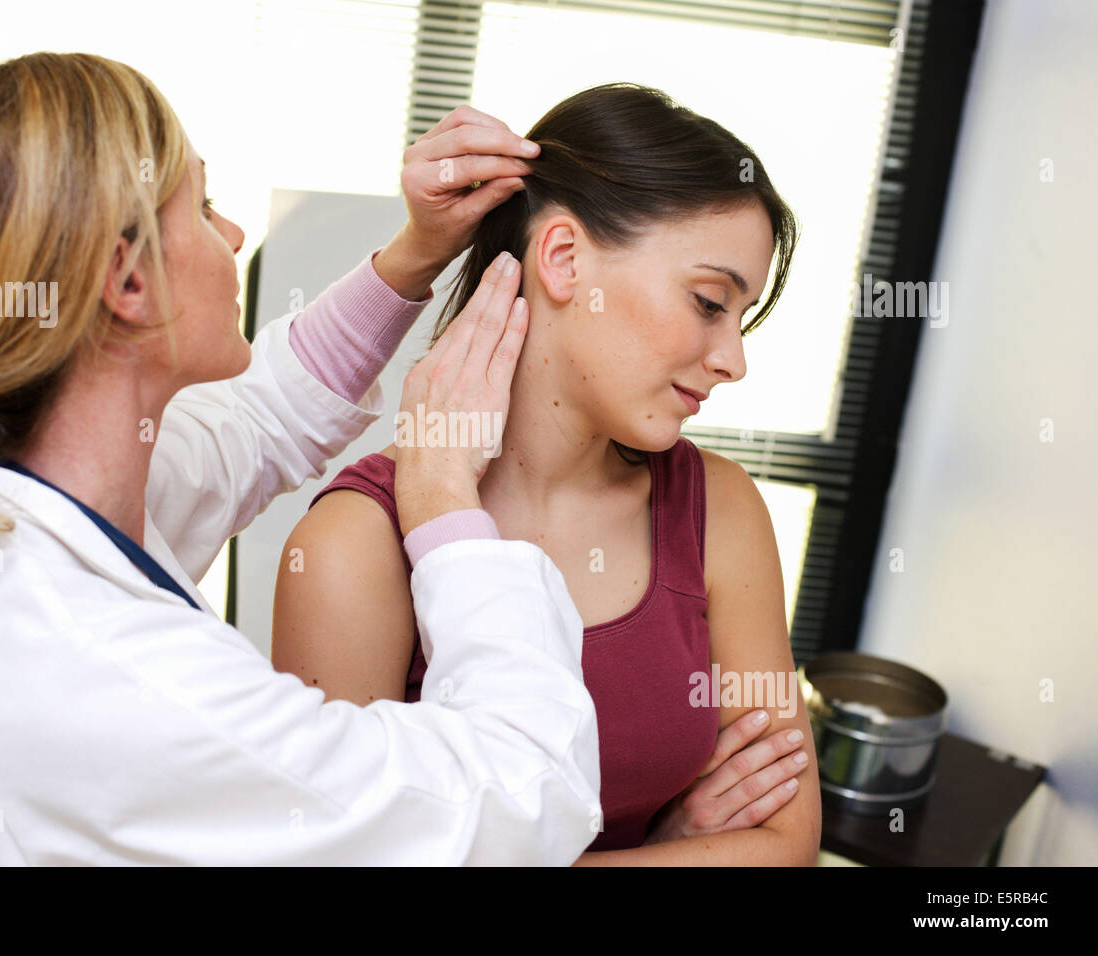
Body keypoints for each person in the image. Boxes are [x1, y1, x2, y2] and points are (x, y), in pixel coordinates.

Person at [0, 51, 604, 865]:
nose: (233, 233)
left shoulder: (22, 491)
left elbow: (260, 417)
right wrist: (445, 511)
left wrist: (417, 251)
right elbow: (522, 797)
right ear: (128, 283)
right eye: (205, 205)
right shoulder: (102, 676)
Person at [273, 83, 823, 864]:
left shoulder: (720, 509)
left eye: (741, 317)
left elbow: (784, 840)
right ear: (563, 259)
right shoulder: (351, 547)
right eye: (708, 302)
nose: (733, 360)